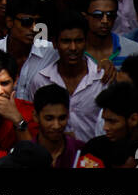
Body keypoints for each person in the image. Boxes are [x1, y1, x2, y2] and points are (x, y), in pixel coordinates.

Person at [17, 12, 104, 142]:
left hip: (94, 158)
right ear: (55, 43)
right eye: (66, 41)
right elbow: (34, 125)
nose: (73, 48)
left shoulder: (103, 79)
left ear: (86, 42)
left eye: (78, 41)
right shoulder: (40, 81)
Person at [81, 0, 138, 78]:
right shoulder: (75, 50)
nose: (105, 20)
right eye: (98, 15)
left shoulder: (134, 51)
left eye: (110, 15)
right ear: (85, 16)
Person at [32, 83, 81, 169]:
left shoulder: (81, 151)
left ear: (68, 115)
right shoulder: (23, 156)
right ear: (36, 117)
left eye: (62, 118)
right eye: (49, 118)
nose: (56, 126)